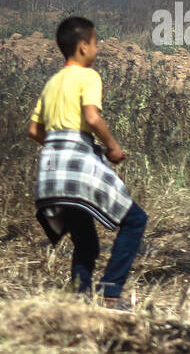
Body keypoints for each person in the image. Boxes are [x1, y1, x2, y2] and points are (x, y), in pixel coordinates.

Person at [27, 16, 148, 309]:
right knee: (135, 221)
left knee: (86, 239)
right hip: (79, 164)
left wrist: (58, 148)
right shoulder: (88, 76)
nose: (98, 48)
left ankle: (80, 298)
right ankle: (111, 291)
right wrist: (113, 147)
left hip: (50, 171)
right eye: (95, 43)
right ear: (83, 47)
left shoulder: (52, 82)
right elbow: (92, 117)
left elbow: (33, 130)